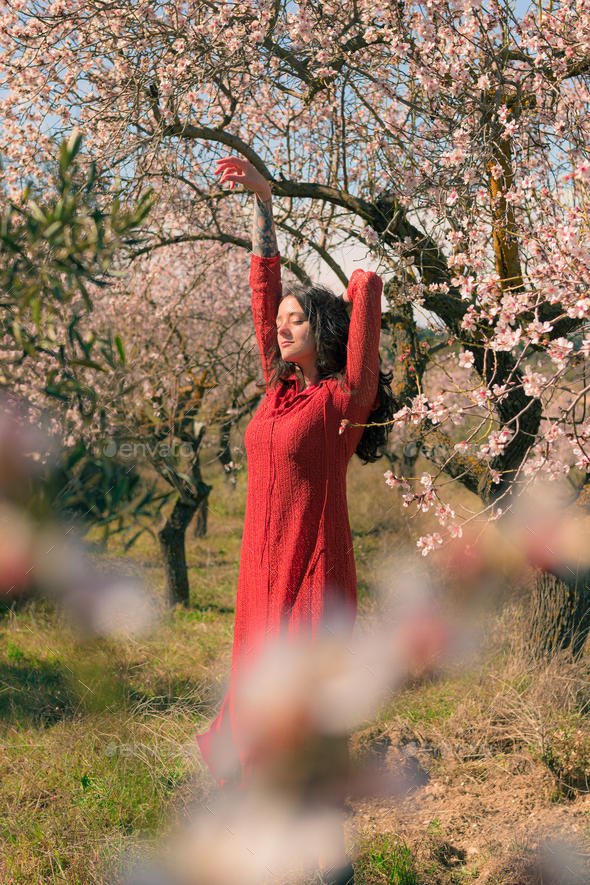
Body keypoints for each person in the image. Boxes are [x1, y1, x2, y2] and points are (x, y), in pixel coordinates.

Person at [196, 156, 396, 885]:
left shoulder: (338, 406)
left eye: (296, 319)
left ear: (324, 329)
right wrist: (263, 205)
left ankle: (330, 866)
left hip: (312, 578)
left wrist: (364, 288)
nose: (281, 327)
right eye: (279, 321)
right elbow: (262, 293)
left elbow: (365, 357)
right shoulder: (275, 391)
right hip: (258, 574)